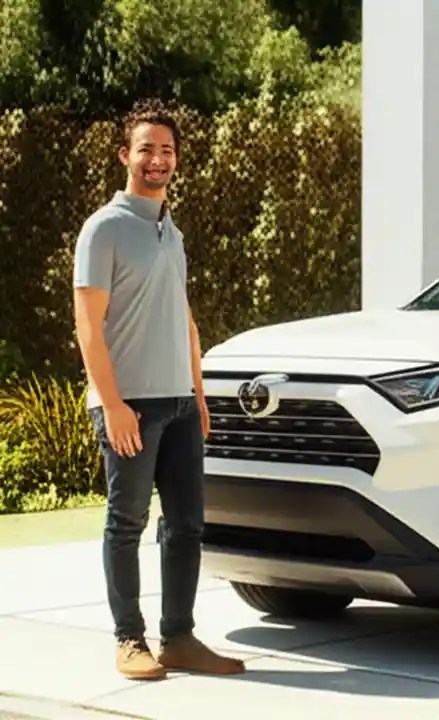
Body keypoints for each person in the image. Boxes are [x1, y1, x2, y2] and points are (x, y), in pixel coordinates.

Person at [73, 99, 245, 681]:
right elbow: (87, 325)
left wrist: (197, 395)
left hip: (176, 402)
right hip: (129, 405)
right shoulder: (104, 228)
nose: (158, 158)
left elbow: (185, 319)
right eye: (146, 148)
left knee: (186, 524)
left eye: (167, 150)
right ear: (126, 156)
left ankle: (179, 638)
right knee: (126, 522)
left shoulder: (171, 232)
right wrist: (113, 404)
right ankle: (129, 639)